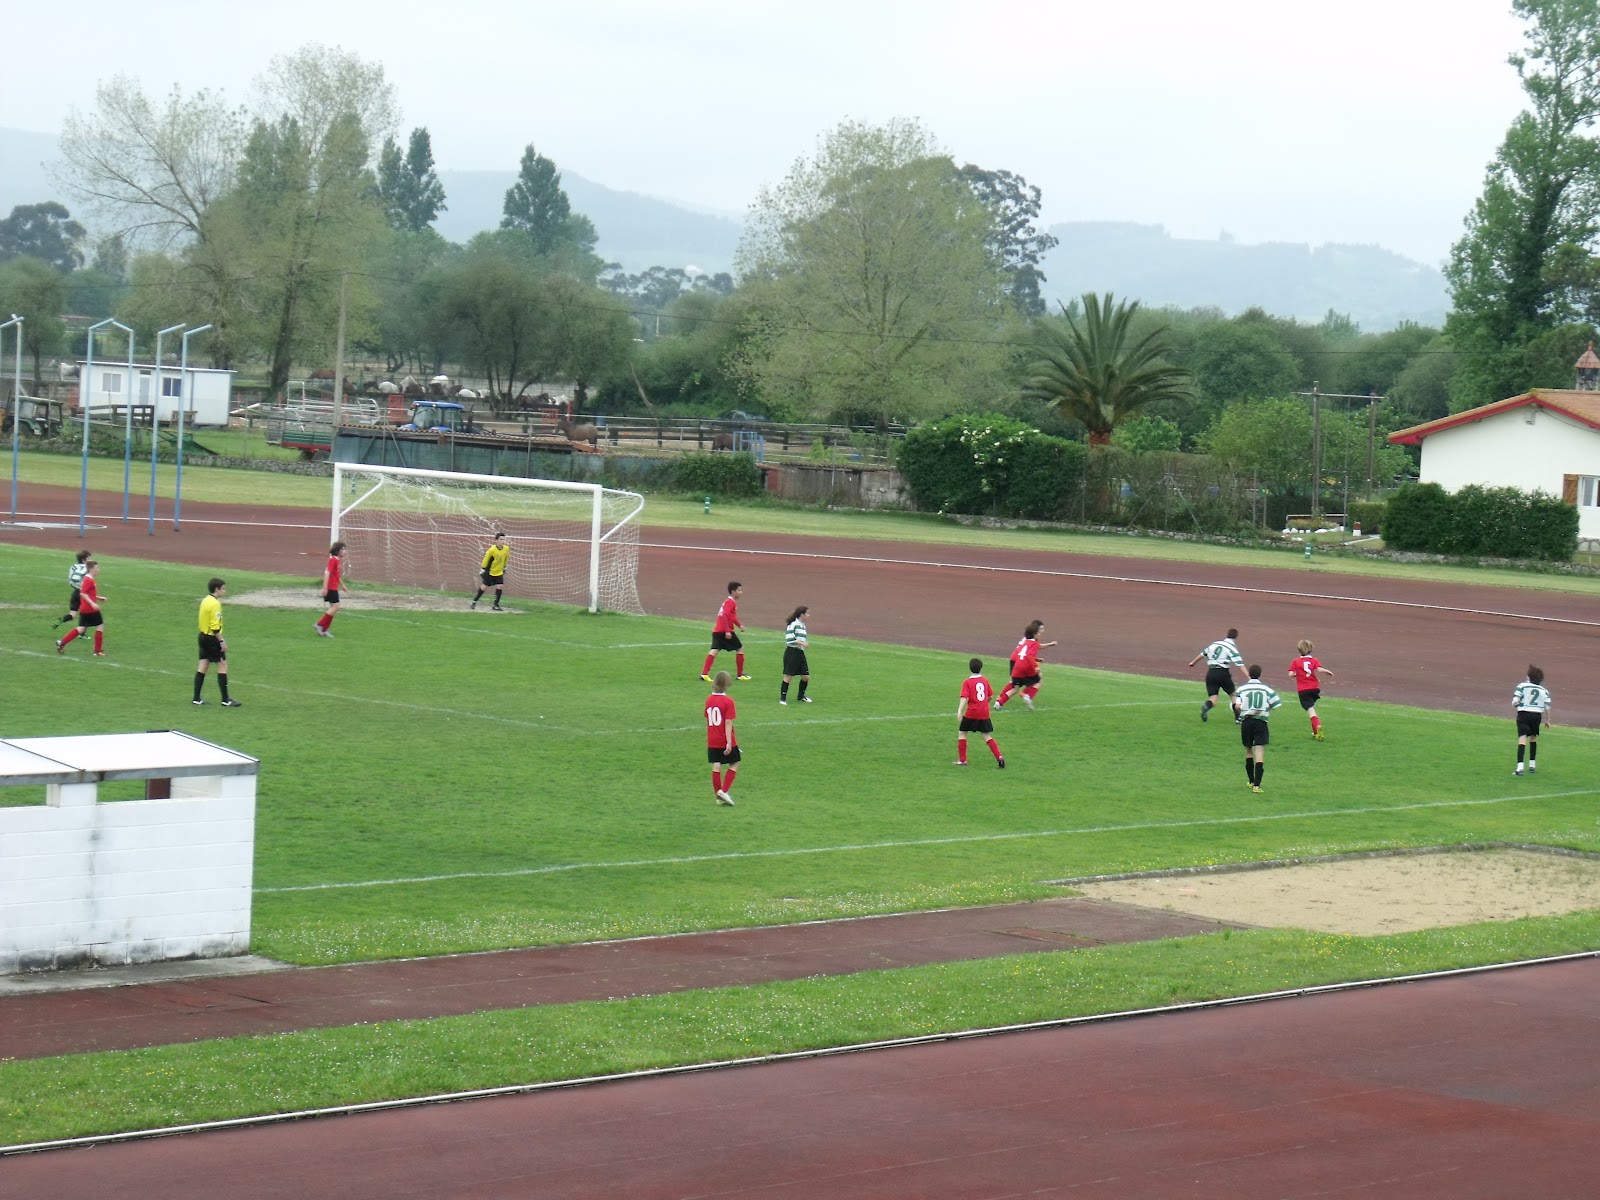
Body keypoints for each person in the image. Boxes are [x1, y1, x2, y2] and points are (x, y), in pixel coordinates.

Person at [1232, 664, 1282, 793]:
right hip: (1261, 721)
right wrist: (1265, 709)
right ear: (1260, 674)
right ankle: (1257, 786)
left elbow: (1237, 706)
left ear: (1249, 673)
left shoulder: (1242, 689)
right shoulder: (1266, 689)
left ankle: (1251, 780)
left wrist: (1244, 708)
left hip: (1247, 721)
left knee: (1248, 751)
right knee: (1259, 752)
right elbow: (1277, 704)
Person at [194, 577, 242, 707]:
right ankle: (225, 700)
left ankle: (196, 698)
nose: (224, 591)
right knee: (222, 665)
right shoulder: (215, 604)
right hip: (211, 639)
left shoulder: (205, 600)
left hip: (202, 636)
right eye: (223, 589)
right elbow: (215, 626)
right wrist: (221, 641)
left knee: (203, 665)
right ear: (217, 589)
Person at [996, 620, 1057, 710]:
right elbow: (1030, 652)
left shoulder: (1030, 638)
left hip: (1020, 659)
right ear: (1035, 630)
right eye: (1041, 628)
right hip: (1018, 659)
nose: (1042, 631)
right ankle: (1025, 694)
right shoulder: (1031, 640)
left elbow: (1031, 650)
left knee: (1016, 684)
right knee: (1019, 683)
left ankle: (1002, 700)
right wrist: (1036, 665)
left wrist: (1049, 646)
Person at [956, 657, 1005, 768]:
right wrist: (984, 703)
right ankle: (999, 757)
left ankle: (963, 760)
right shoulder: (985, 680)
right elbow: (990, 696)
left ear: (970, 668)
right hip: (984, 713)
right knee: (987, 735)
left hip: (972, 713)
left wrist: (959, 710)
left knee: (962, 733)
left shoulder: (967, 682)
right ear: (981, 668)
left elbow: (964, 697)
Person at [1188, 628, 1243, 722]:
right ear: (1236, 637)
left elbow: (1203, 654)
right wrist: (1249, 676)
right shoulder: (1231, 647)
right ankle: (1238, 719)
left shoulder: (1215, 644)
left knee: (1213, 698)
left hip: (1211, 673)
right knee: (1233, 695)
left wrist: (1193, 662)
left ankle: (1206, 706)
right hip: (1223, 673)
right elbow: (1240, 664)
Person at [700, 581, 750, 682]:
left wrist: (739, 625)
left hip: (717, 630)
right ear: (733, 591)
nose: (741, 592)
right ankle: (740, 675)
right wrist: (727, 631)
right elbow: (724, 615)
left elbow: (731, 617)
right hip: (724, 630)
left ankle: (704, 674)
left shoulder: (728, 601)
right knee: (740, 648)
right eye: (739, 590)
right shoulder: (731, 602)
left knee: (714, 650)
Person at [1287, 639, 1335, 740]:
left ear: (1299, 650)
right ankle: (1315, 732)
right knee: (1311, 707)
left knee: (1310, 710)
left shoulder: (1296, 661)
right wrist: (1327, 671)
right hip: (1315, 688)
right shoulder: (1314, 660)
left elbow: (1290, 674)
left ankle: (1318, 727)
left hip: (1303, 690)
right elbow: (1319, 669)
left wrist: (1297, 674)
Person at [55, 559, 104, 657]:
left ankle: (62, 642)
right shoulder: (88, 579)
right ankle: (97, 651)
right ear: (91, 569)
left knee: (81, 628)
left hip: (85, 608)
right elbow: (83, 593)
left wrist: (98, 598)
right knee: (100, 626)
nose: (98, 570)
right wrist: (92, 603)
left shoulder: (87, 578)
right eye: (96, 568)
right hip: (90, 609)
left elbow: (87, 592)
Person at [705, 669, 740, 805]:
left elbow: (708, 718)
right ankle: (723, 791)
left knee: (716, 765)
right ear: (726, 685)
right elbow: (728, 722)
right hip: (723, 738)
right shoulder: (728, 701)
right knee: (735, 762)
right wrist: (729, 742)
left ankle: (718, 797)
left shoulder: (708, 700)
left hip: (712, 738)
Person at [1513, 665, 1553, 776]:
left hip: (1524, 714)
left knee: (1522, 739)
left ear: (1529, 677)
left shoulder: (1522, 686)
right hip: (1537, 716)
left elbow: (1515, 701)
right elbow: (1547, 706)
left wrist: (1517, 704)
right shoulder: (1544, 691)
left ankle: (1520, 768)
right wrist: (1547, 720)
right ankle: (1532, 765)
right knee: (1533, 738)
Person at [52, 550, 92, 630]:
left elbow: (71, 579)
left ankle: (59, 621)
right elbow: (80, 578)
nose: (91, 560)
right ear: (84, 560)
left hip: (75, 592)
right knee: (88, 613)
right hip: (83, 594)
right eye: (89, 558)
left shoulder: (73, 566)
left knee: (72, 615)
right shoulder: (86, 568)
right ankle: (82, 633)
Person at [780, 605, 811, 705]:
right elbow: (789, 639)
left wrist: (802, 644)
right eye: (807, 613)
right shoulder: (793, 624)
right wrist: (802, 643)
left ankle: (801, 696)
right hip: (792, 652)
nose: (809, 615)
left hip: (800, 653)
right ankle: (783, 699)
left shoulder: (802, 625)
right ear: (802, 614)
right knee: (788, 676)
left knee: (806, 676)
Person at [471, 532, 509, 611]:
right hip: (490, 572)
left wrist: (505, 567)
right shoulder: (492, 550)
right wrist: (483, 569)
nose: (503, 541)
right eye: (501, 539)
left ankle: (495, 605)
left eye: (504, 539)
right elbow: (486, 559)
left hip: (499, 572)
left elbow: (506, 558)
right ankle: (474, 601)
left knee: (500, 586)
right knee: (484, 586)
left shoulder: (506, 549)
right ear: (496, 540)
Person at [315, 541, 346, 637]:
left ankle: (324, 630)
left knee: (333, 608)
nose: (345, 551)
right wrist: (325, 588)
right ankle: (319, 624)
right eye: (343, 549)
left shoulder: (336, 560)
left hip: (333, 587)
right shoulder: (333, 560)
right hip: (331, 588)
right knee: (336, 607)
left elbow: (336, 575)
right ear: (338, 550)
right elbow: (327, 573)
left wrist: (343, 585)